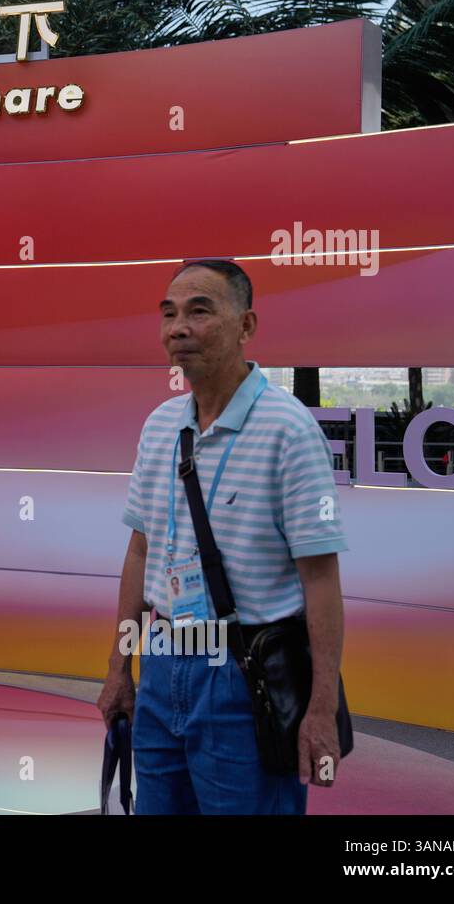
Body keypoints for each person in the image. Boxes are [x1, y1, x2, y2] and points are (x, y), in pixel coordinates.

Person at [95, 258, 348, 814]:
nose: (177, 327)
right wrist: (120, 668)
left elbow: (321, 578)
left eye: (199, 311)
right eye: (169, 313)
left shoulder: (288, 429)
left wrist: (321, 707)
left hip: (245, 676)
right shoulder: (160, 425)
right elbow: (139, 553)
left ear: (246, 325)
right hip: (162, 663)